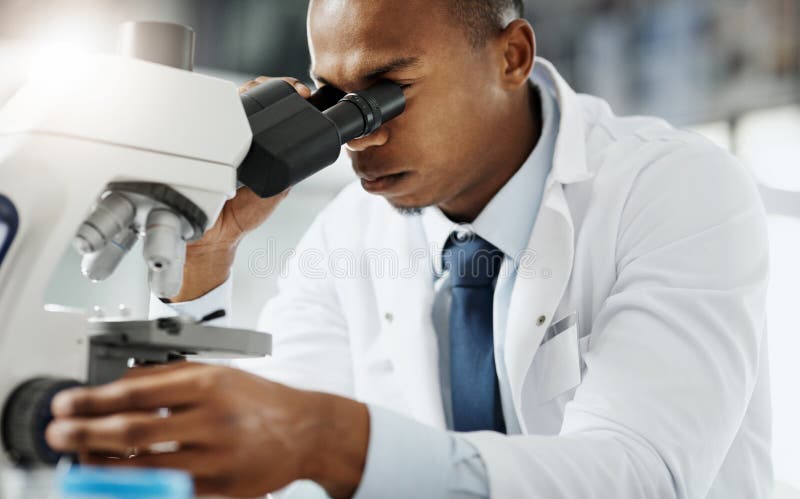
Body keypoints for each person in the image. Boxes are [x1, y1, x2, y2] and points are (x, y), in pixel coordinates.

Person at [45, 0, 773, 498]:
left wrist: (335, 439)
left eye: (388, 88)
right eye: (334, 100)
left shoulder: (677, 188)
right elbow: (260, 469)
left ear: (512, 56)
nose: (359, 132)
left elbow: (639, 475)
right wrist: (205, 263)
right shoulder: (349, 236)